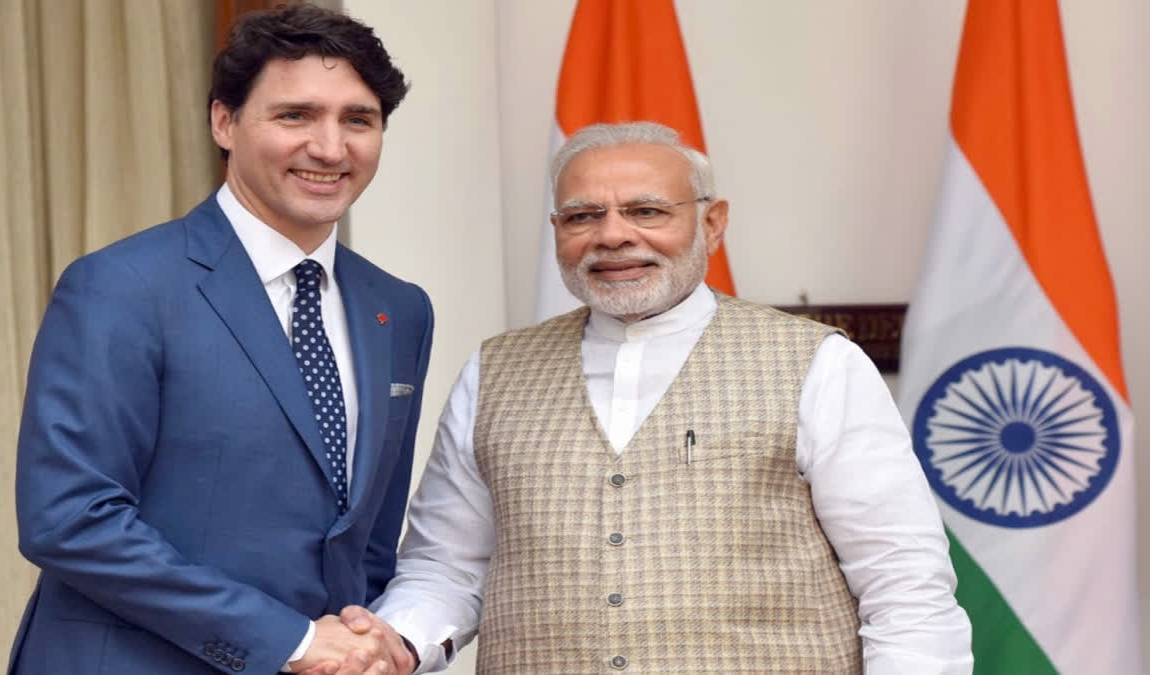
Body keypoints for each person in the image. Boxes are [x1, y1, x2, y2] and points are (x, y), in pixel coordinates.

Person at [365, 121, 973, 673]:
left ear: (712, 223)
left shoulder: (817, 363)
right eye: (582, 216)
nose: (612, 236)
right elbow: (447, 566)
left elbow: (904, 584)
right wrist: (392, 644)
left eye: (647, 211)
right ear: (557, 231)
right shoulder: (494, 370)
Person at [8, 5, 430, 674]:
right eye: (295, 115)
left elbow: (366, 540)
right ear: (224, 121)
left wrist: (364, 645)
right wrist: (287, 639)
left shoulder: (399, 309)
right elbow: (70, 517)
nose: (329, 147)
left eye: (359, 119)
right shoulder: (120, 286)